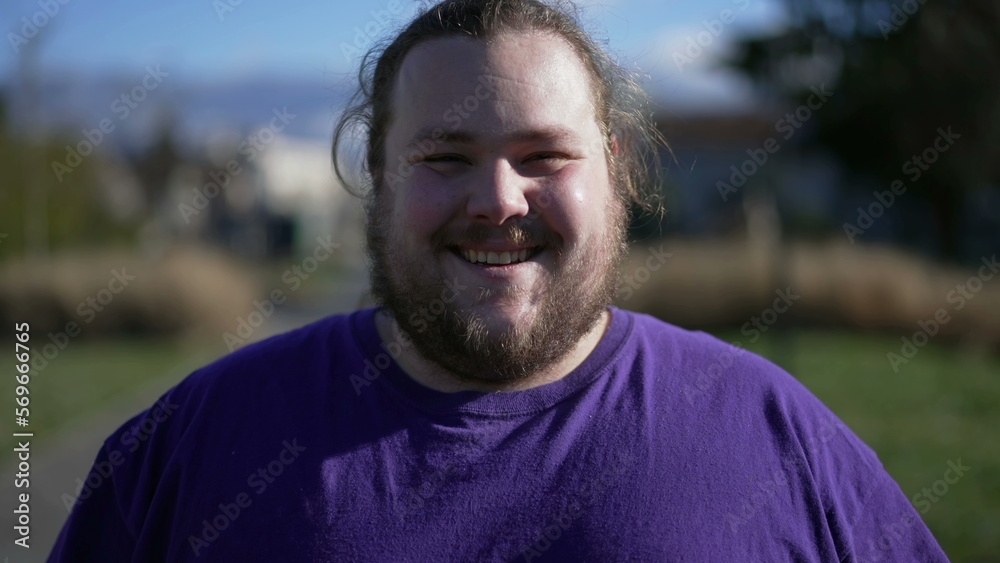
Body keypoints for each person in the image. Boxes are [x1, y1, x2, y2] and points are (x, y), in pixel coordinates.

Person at [50, 0, 949, 560]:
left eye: (543, 155)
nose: (497, 199)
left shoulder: (778, 437)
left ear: (616, 171)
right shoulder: (191, 447)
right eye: (446, 155)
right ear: (379, 172)